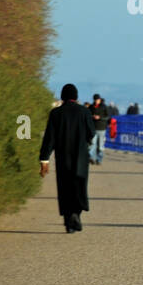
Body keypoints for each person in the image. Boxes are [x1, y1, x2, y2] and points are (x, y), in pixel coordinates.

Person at [39, 84, 95, 232]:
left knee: (65, 188)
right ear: (76, 97)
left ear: (62, 96)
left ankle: (68, 220)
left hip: (63, 157)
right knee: (79, 186)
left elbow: (49, 138)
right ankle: (76, 214)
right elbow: (91, 132)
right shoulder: (84, 111)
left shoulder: (56, 113)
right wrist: (85, 141)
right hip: (81, 157)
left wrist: (44, 159)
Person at [87, 93, 109, 165]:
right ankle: (91, 158)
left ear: (100, 99)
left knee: (100, 145)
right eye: (95, 100)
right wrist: (92, 117)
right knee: (92, 143)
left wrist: (100, 118)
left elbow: (108, 117)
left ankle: (99, 159)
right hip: (93, 127)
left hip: (101, 128)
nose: (97, 101)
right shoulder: (91, 107)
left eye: (98, 99)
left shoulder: (104, 107)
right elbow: (87, 116)